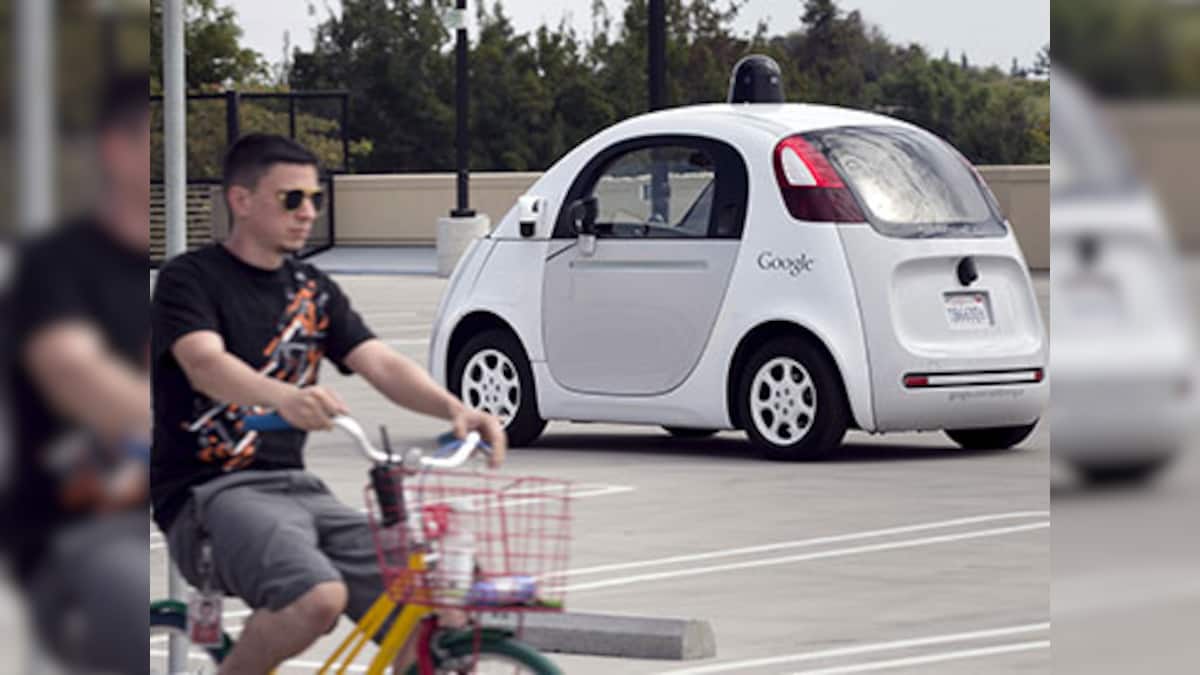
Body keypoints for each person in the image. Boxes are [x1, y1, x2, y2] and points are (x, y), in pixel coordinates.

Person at [151, 133, 507, 673]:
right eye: (292, 199)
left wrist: (456, 409)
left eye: (314, 199)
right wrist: (286, 398)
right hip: (209, 492)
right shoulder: (190, 279)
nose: (308, 213)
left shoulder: (311, 291)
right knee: (317, 598)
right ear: (241, 200)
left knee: (432, 602)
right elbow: (204, 363)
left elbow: (381, 362)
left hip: (298, 490)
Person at [2, 72, 151, 674]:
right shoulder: (55, 264)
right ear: (115, 149)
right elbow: (73, 370)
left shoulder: (176, 278)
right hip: (74, 533)